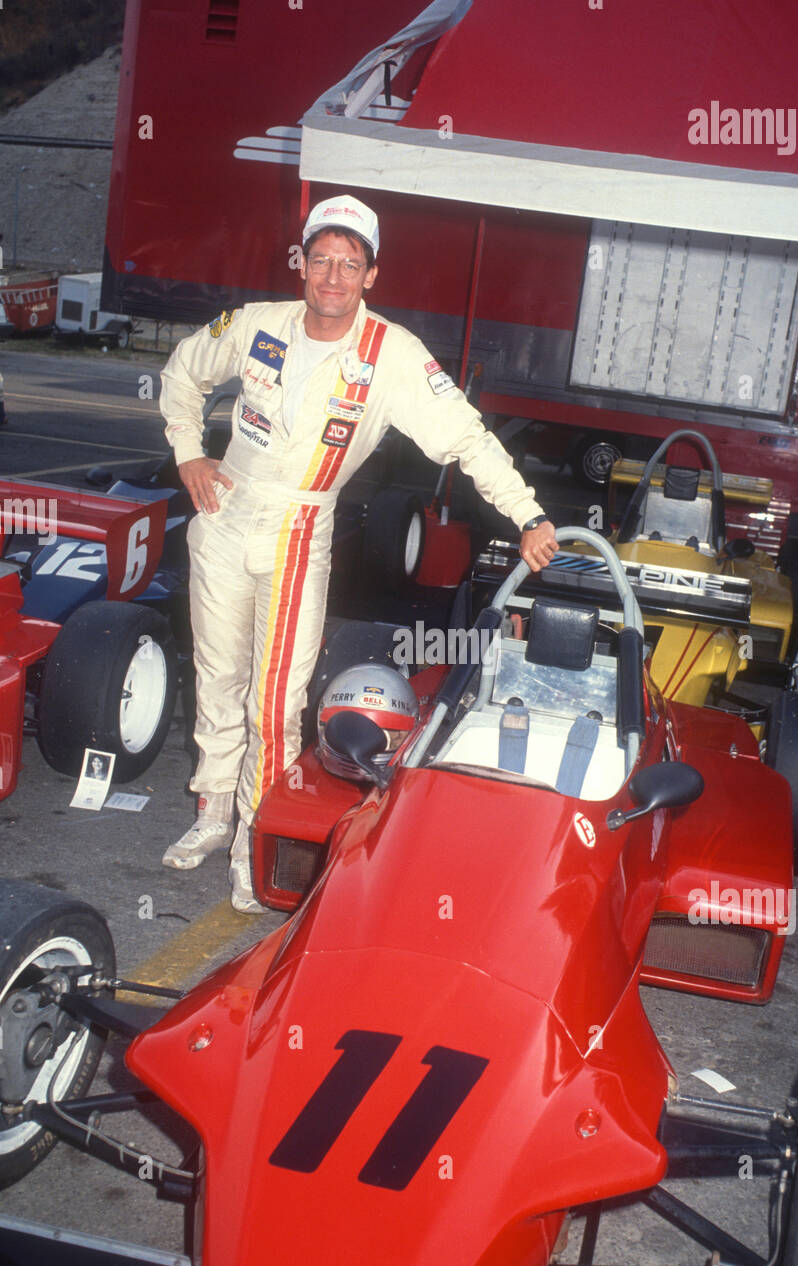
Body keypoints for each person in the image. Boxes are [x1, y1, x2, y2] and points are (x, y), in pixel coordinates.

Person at [159, 194, 557, 911]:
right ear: (302, 262)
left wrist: (528, 513)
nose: (333, 278)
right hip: (224, 511)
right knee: (217, 674)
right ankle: (214, 812)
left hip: (298, 529)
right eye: (321, 260)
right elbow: (185, 372)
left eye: (350, 264)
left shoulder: (393, 356)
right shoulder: (256, 325)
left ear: (372, 274)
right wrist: (190, 452)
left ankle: (259, 838)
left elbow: (467, 440)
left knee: (275, 701)